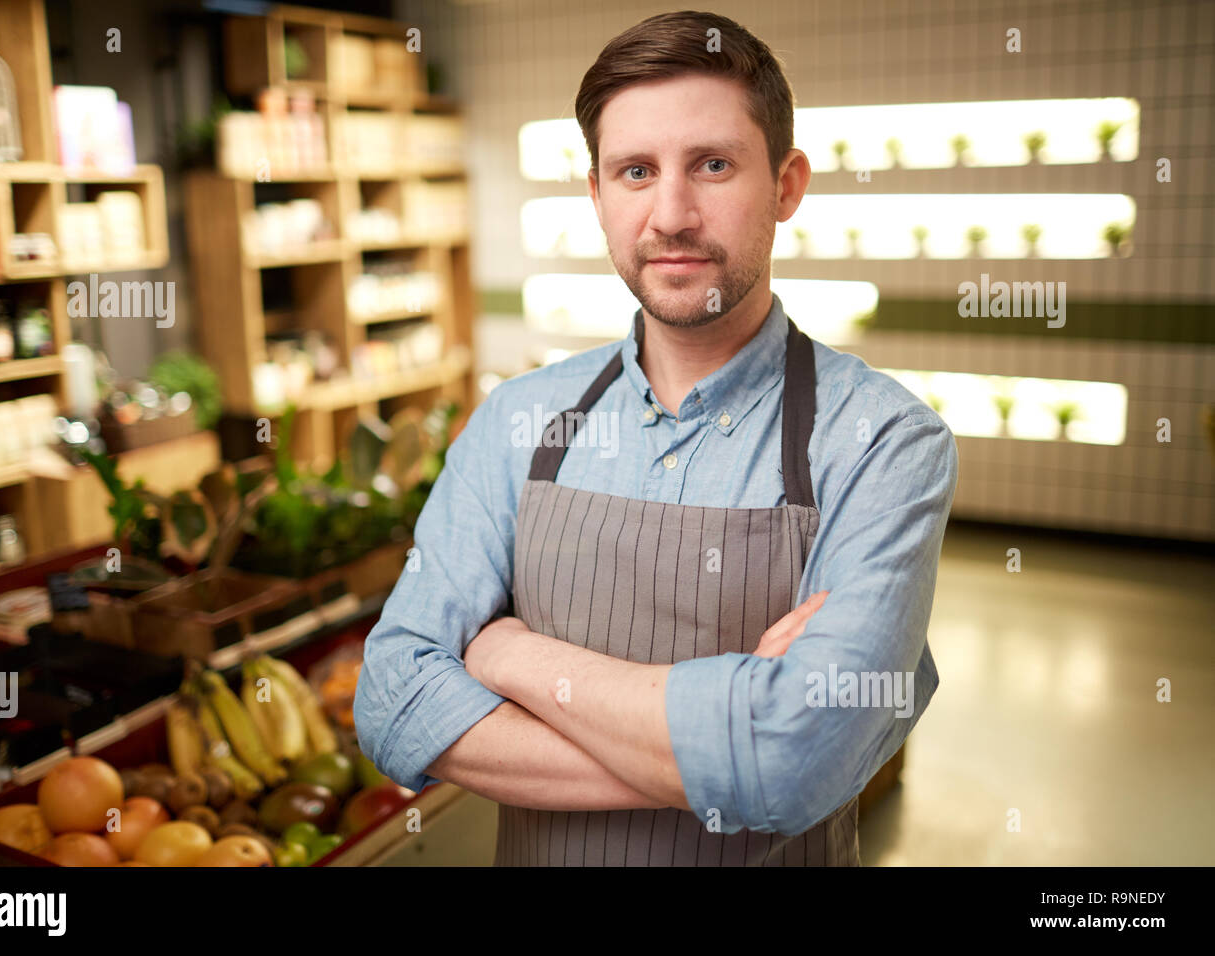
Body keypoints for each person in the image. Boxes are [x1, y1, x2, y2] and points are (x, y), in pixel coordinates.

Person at [354, 10, 957, 866]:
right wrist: (730, 754)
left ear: (786, 185)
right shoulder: (514, 424)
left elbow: (797, 758)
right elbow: (390, 700)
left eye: (713, 165)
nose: (670, 214)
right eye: (635, 171)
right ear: (598, 195)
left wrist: (506, 652)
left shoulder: (884, 442)